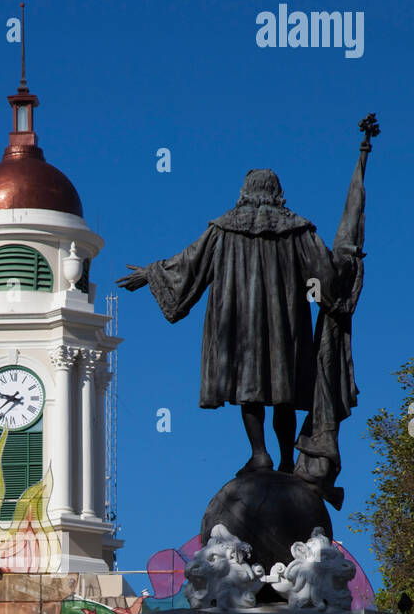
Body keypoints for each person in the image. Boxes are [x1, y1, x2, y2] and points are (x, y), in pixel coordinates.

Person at [119, 126, 377, 506]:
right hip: (286, 327)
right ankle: (288, 457)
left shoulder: (225, 229)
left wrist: (150, 273)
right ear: (276, 191)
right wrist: (347, 262)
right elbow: (325, 274)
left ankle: (260, 453)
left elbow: (189, 263)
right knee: (285, 394)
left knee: (250, 392)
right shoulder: (298, 230)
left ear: (245, 191)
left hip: (238, 329)